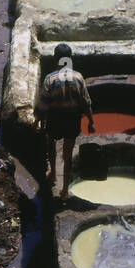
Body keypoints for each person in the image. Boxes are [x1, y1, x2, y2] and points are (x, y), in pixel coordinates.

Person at [35, 43, 95, 200]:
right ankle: (65, 191)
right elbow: (86, 102)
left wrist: (37, 121)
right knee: (68, 155)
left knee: (51, 144)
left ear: (56, 59)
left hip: (55, 118)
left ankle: (53, 173)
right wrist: (91, 121)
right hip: (72, 119)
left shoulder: (50, 79)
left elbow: (43, 104)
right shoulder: (78, 77)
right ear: (70, 58)